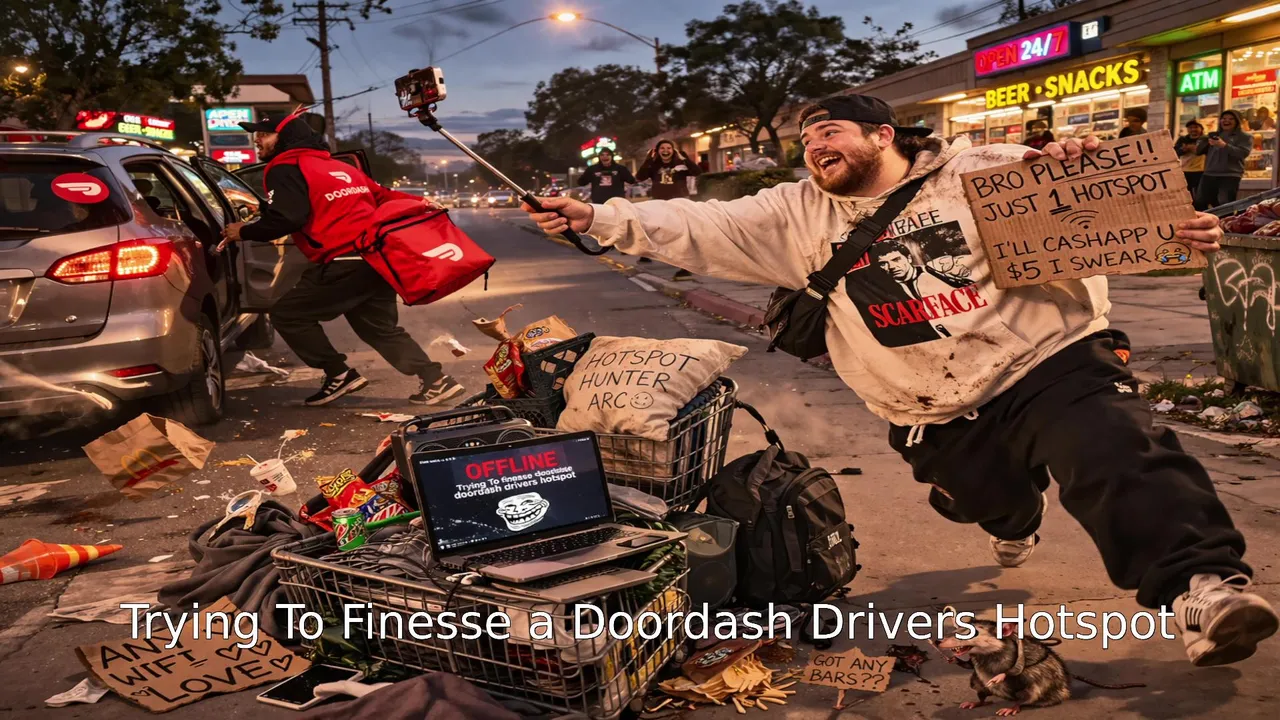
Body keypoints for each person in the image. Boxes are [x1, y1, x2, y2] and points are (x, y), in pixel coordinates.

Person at [524, 94, 1277, 668]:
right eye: (806, 140)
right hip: (930, 403)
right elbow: (693, 225)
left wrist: (1158, 215)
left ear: (883, 135)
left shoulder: (984, 171)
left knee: (1116, 448)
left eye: (830, 131)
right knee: (985, 501)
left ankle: (1203, 587)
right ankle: (1013, 519)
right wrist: (595, 216)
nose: (815, 146)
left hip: (1048, 358)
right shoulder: (793, 214)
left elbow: (1112, 209)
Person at [220, 111, 464, 407]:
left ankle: (338, 373)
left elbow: (288, 218)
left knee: (288, 314)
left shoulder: (284, 167)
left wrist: (243, 230)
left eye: (263, 134)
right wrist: (421, 203)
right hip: (377, 257)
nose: (257, 140)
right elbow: (381, 195)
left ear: (284, 138)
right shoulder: (338, 166)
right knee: (379, 329)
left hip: (343, 260)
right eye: (256, 134)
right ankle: (436, 380)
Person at [636, 140, 703, 280]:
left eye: (669, 148)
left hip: (679, 203)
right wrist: (648, 159)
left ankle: (685, 267)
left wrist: (685, 159)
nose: (665, 150)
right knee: (656, 229)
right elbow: (640, 177)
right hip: (659, 203)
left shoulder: (681, 164)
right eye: (662, 148)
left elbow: (697, 172)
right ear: (658, 151)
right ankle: (647, 253)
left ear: (673, 150)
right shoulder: (653, 165)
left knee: (682, 233)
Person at [1195, 110, 1253, 210]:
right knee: (1200, 202)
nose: (1226, 121)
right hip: (1209, 173)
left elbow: (1243, 153)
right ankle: (1207, 220)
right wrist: (1204, 141)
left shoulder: (1245, 137)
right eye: (1224, 118)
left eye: (1231, 119)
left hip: (1230, 175)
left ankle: (1225, 220)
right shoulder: (1214, 135)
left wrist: (1224, 145)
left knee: (1225, 204)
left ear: (1237, 121)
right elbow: (1198, 152)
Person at [1177, 120, 1206, 200]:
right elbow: (1175, 152)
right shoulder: (1182, 139)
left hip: (1201, 171)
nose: (1193, 129)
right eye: (1190, 127)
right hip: (1185, 170)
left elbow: (1203, 151)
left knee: (1200, 196)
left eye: (1196, 127)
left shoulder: (1205, 139)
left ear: (1201, 128)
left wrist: (1192, 148)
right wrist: (1183, 150)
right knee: (1186, 195)